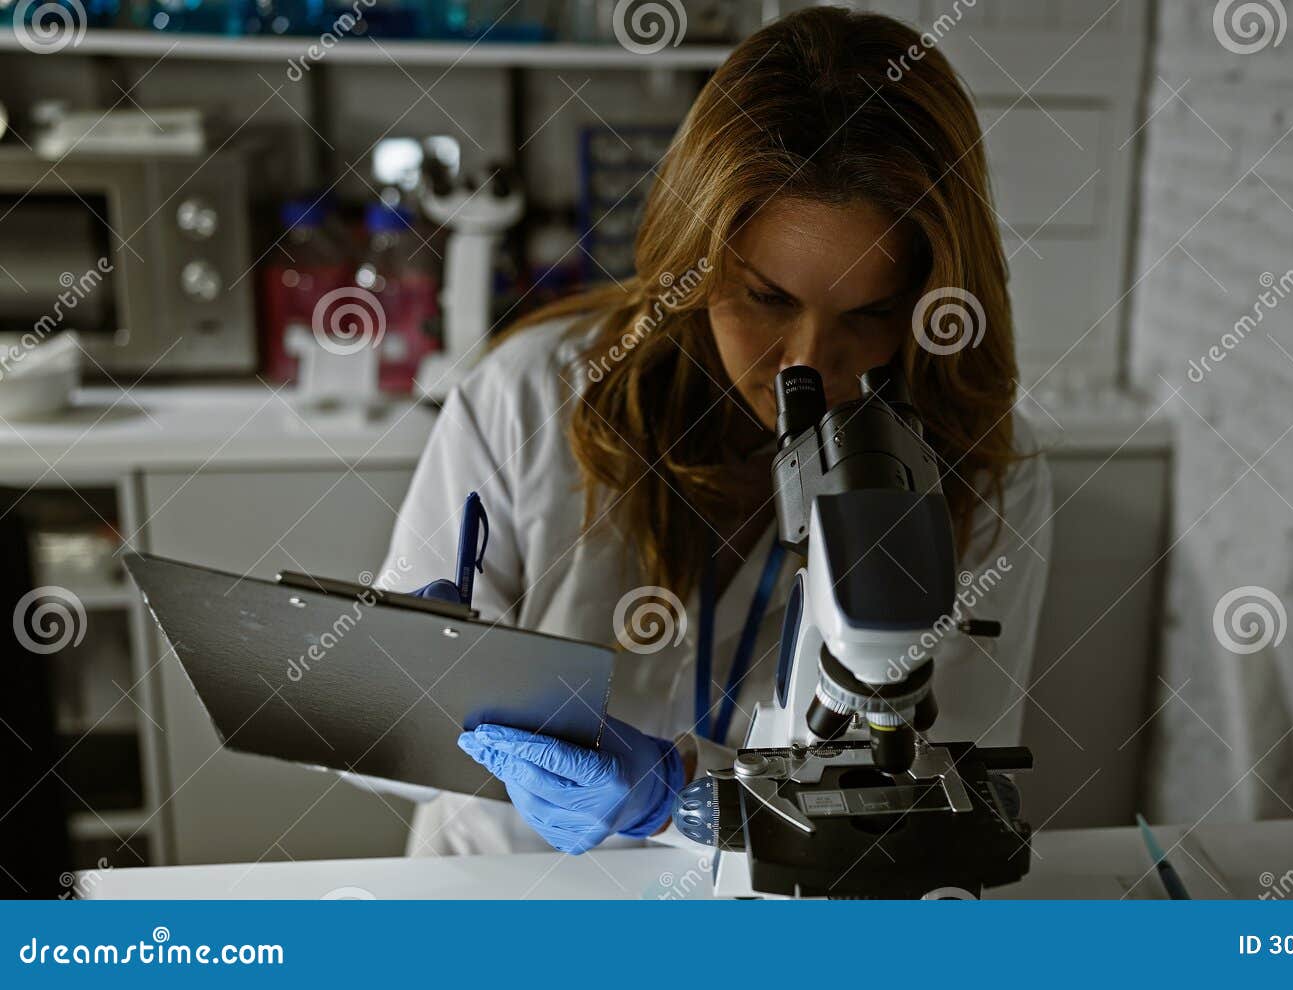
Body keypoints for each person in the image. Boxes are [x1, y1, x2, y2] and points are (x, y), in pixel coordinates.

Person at [377, 5, 1054, 857]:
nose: (807, 364)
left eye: (871, 312)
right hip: (510, 890)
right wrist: (412, 685)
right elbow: (383, 749)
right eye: (768, 299)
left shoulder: (983, 468)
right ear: (690, 261)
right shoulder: (529, 397)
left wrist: (681, 802)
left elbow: (928, 814)